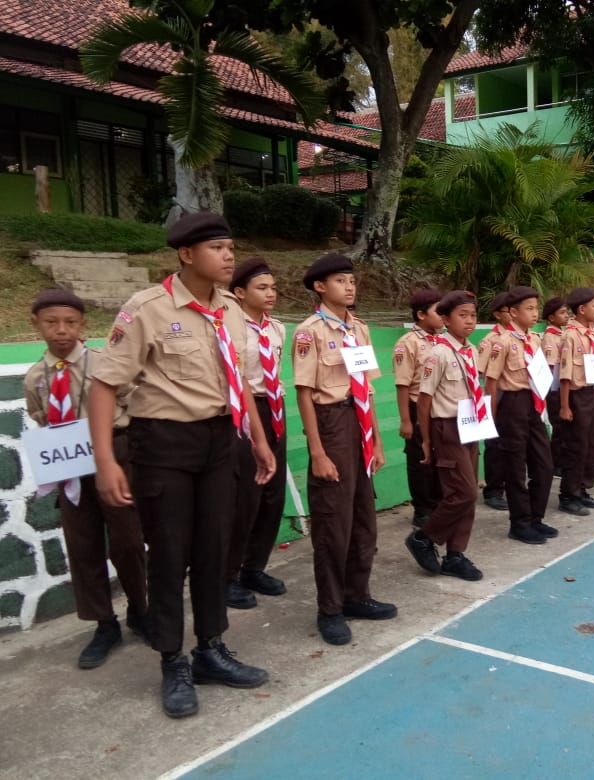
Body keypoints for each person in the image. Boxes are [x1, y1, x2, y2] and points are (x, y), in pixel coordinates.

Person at [89, 212, 275, 719]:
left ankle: (210, 647)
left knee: (215, 547)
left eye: (231, 246)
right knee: (170, 553)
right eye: (218, 248)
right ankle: (173, 659)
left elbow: (242, 385)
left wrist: (258, 441)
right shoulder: (146, 309)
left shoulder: (232, 310)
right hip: (164, 444)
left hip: (220, 440)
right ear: (186, 255)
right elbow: (103, 385)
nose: (229, 255)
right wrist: (105, 461)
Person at [24, 290, 147, 670]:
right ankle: (103, 623)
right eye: (51, 323)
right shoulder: (35, 377)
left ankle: (140, 612)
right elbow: (40, 418)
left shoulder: (103, 363)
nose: (61, 331)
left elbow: (131, 397)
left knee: (128, 539)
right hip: (71, 468)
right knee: (82, 545)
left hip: (116, 455)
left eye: (70, 322)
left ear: (83, 325)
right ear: (37, 326)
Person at [293, 253, 397, 647]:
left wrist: (377, 442)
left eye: (352, 280)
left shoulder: (361, 329)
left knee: (363, 519)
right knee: (333, 523)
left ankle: (358, 595)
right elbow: (304, 393)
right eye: (340, 281)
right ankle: (330, 608)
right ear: (320, 287)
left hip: (360, 422)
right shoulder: (310, 332)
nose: (350, 287)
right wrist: (317, 452)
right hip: (331, 422)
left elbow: (367, 388)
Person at [404, 290, 484, 581]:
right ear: (446, 319)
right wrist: (426, 439)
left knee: (468, 494)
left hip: (470, 424)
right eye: (462, 316)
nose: (470, 321)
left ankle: (455, 555)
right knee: (463, 492)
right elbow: (424, 399)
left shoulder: (470, 350)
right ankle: (424, 537)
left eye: (473, 315)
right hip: (446, 428)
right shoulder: (437, 353)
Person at [224, 258, 288, 611]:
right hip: (245, 410)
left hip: (275, 407)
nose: (270, 294)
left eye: (273, 288)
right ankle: (227, 574)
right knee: (245, 495)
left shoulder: (277, 329)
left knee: (272, 496)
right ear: (239, 293)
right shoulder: (233, 329)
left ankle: (254, 567)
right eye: (262, 288)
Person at [483, 286, 556, 544]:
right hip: (511, 405)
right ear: (513, 312)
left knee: (544, 465)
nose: (535, 314)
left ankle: (536, 517)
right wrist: (489, 418)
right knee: (515, 467)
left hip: (533, 404)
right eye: (529, 309)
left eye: (536, 308)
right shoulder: (501, 342)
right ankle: (520, 522)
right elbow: (491, 382)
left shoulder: (535, 340)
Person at [392, 290, 444, 529]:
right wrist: (406, 420)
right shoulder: (408, 344)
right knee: (420, 459)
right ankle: (423, 509)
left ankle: (440, 502)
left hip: (441, 407)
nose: (443, 316)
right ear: (421, 315)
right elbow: (403, 385)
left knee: (441, 457)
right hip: (416, 407)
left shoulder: (443, 340)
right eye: (438, 311)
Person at [556, 287, 594, 517]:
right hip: (576, 394)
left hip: (592, 390)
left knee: (592, 444)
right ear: (581, 309)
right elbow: (565, 372)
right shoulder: (570, 335)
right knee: (576, 446)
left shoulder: (593, 331)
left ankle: (584, 488)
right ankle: (568, 494)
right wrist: (565, 405)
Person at [477, 292, 511, 510]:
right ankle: (493, 490)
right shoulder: (490, 341)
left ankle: (508, 485)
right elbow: (482, 373)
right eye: (508, 310)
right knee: (495, 444)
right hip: (497, 393)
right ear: (498, 314)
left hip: (517, 396)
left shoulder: (522, 337)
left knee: (512, 443)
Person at [541, 296, 569, 475]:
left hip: (562, 386)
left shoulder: (562, 334)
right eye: (562, 313)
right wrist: (551, 391)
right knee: (557, 426)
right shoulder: (550, 337)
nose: (567, 316)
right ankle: (556, 462)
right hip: (554, 388)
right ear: (551, 318)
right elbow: (551, 365)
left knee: (564, 428)